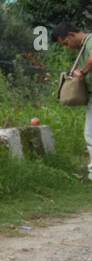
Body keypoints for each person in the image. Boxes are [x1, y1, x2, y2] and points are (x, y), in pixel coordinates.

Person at [53, 21, 92, 180]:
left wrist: (82, 72)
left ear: (70, 34)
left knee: (90, 134)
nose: (67, 47)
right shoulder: (85, 44)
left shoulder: (89, 41)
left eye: (66, 43)